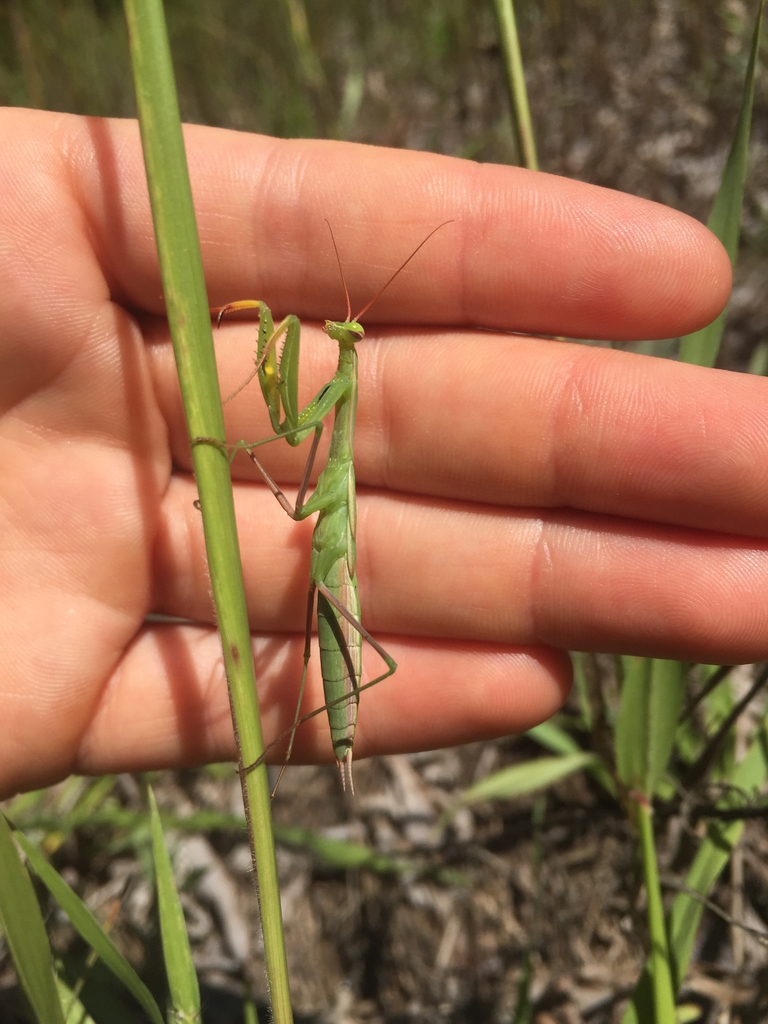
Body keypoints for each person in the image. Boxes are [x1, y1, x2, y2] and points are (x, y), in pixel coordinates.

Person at [1, 107, 760, 801]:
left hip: (336, 595)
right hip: (329, 583)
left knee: (333, 615)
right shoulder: (339, 417)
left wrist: (238, 449)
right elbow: (298, 450)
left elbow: (290, 454)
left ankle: (322, 722)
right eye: (340, 334)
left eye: (344, 340)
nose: (339, 338)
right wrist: (255, 415)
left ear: (350, 350)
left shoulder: (344, 405)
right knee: (312, 593)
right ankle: (314, 722)